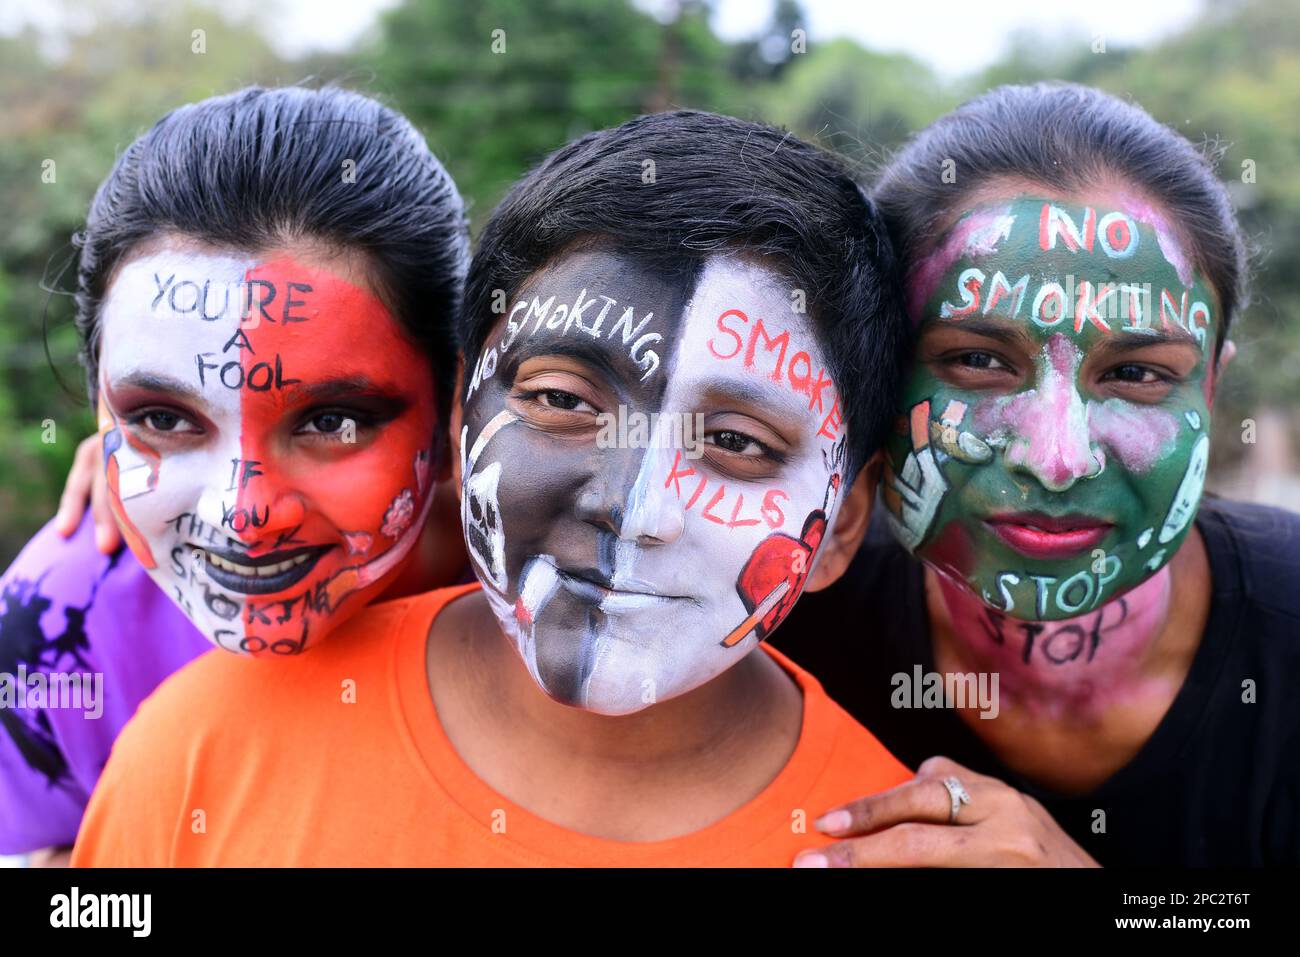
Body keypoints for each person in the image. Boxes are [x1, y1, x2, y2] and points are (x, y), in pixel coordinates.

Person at [72, 110, 914, 867]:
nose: (632, 506)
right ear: (458, 414)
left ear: (842, 521)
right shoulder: (208, 744)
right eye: (562, 400)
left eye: (734, 442)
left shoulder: (897, 845)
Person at [773, 82, 1300, 867]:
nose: (1057, 458)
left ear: (1212, 388)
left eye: (1137, 373)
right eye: (978, 361)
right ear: (877, 379)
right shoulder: (784, 614)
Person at [0, 85, 472, 862]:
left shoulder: (571, 600)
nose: (242, 512)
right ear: (98, 410)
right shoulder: (59, 629)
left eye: (330, 422)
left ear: (454, 410)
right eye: (163, 417)